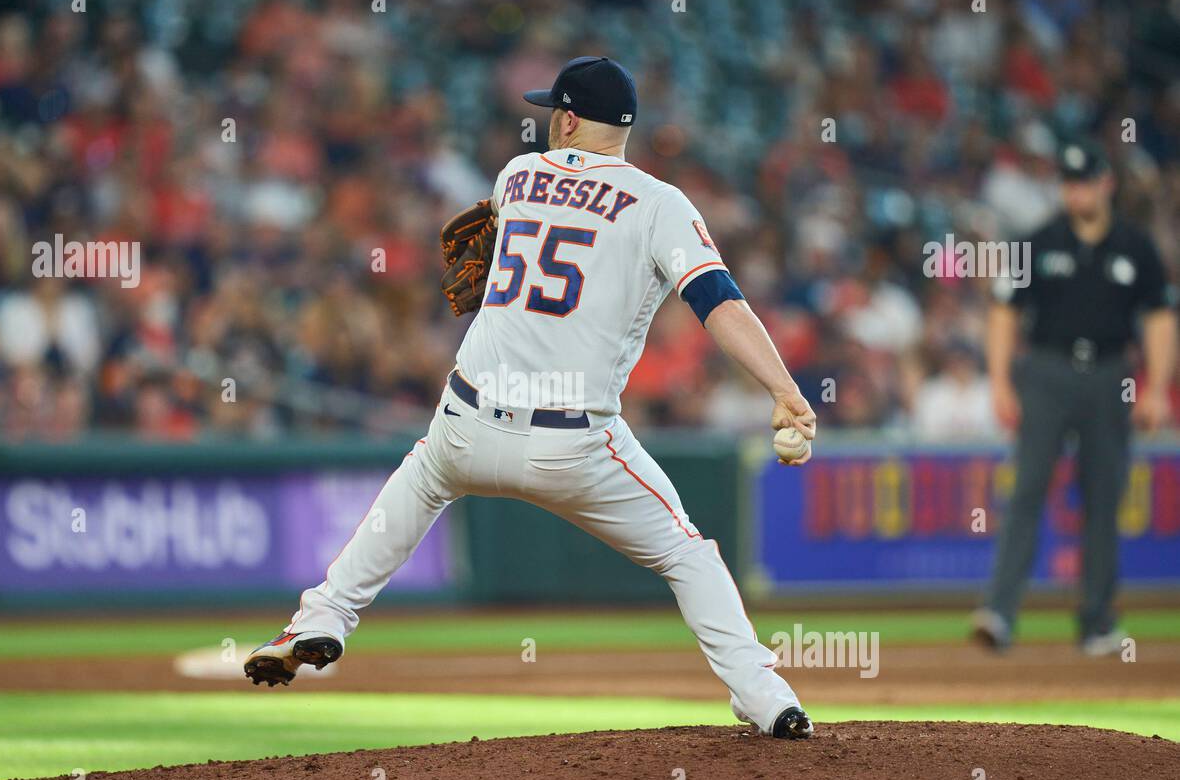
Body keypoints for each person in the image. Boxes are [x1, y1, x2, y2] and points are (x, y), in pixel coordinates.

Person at [245, 56, 819, 739]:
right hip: (572, 442)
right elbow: (716, 300)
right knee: (686, 553)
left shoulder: (517, 176)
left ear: (569, 118)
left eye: (554, 108)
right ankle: (763, 694)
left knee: (421, 482)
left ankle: (322, 619)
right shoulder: (662, 203)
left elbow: (503, 247)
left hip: (467, 418)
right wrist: (785, 392)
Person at [975, 139, 1178, 655]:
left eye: (1083, 181)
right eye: (1067, 183)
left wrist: (1156, 386)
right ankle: (999, 613)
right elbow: (1004, 312)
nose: (1075, 191)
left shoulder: (1135, 245)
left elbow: (1158, 318)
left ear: (1106, 182)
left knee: (1104, 498)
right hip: (1046, 369)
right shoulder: (1039, 241)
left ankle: (1097, 622)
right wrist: (1000, 381)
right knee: (1027, 490)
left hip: (1111, 374)